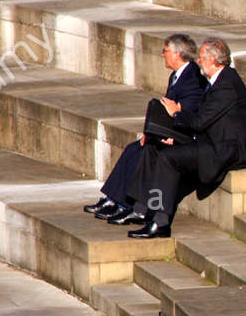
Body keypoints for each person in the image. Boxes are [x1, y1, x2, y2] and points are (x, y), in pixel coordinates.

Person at [125, 37, 246, 239]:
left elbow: (199, 122)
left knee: (168, 158)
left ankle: (160, 223)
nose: (198, 61)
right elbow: (201, 123)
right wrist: (172, 135)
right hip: (209, 142)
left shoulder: (227, 84)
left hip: (224, 150)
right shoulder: (218, 81)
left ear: (213, 60)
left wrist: (176, 113)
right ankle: (143, 209)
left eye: (202, 57)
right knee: (156, 147)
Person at [84, 34, 206, 222]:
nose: (162, 54)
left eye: (165, 51)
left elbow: (188, 113)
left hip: (182, 136)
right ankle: (114, 199)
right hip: (171, 131)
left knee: (146, 152)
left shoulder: (193, 79)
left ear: (176, 54)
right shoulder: (177, 75)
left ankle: (129, 205)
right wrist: (151, 132)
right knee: (133, 149)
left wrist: (164, 135)